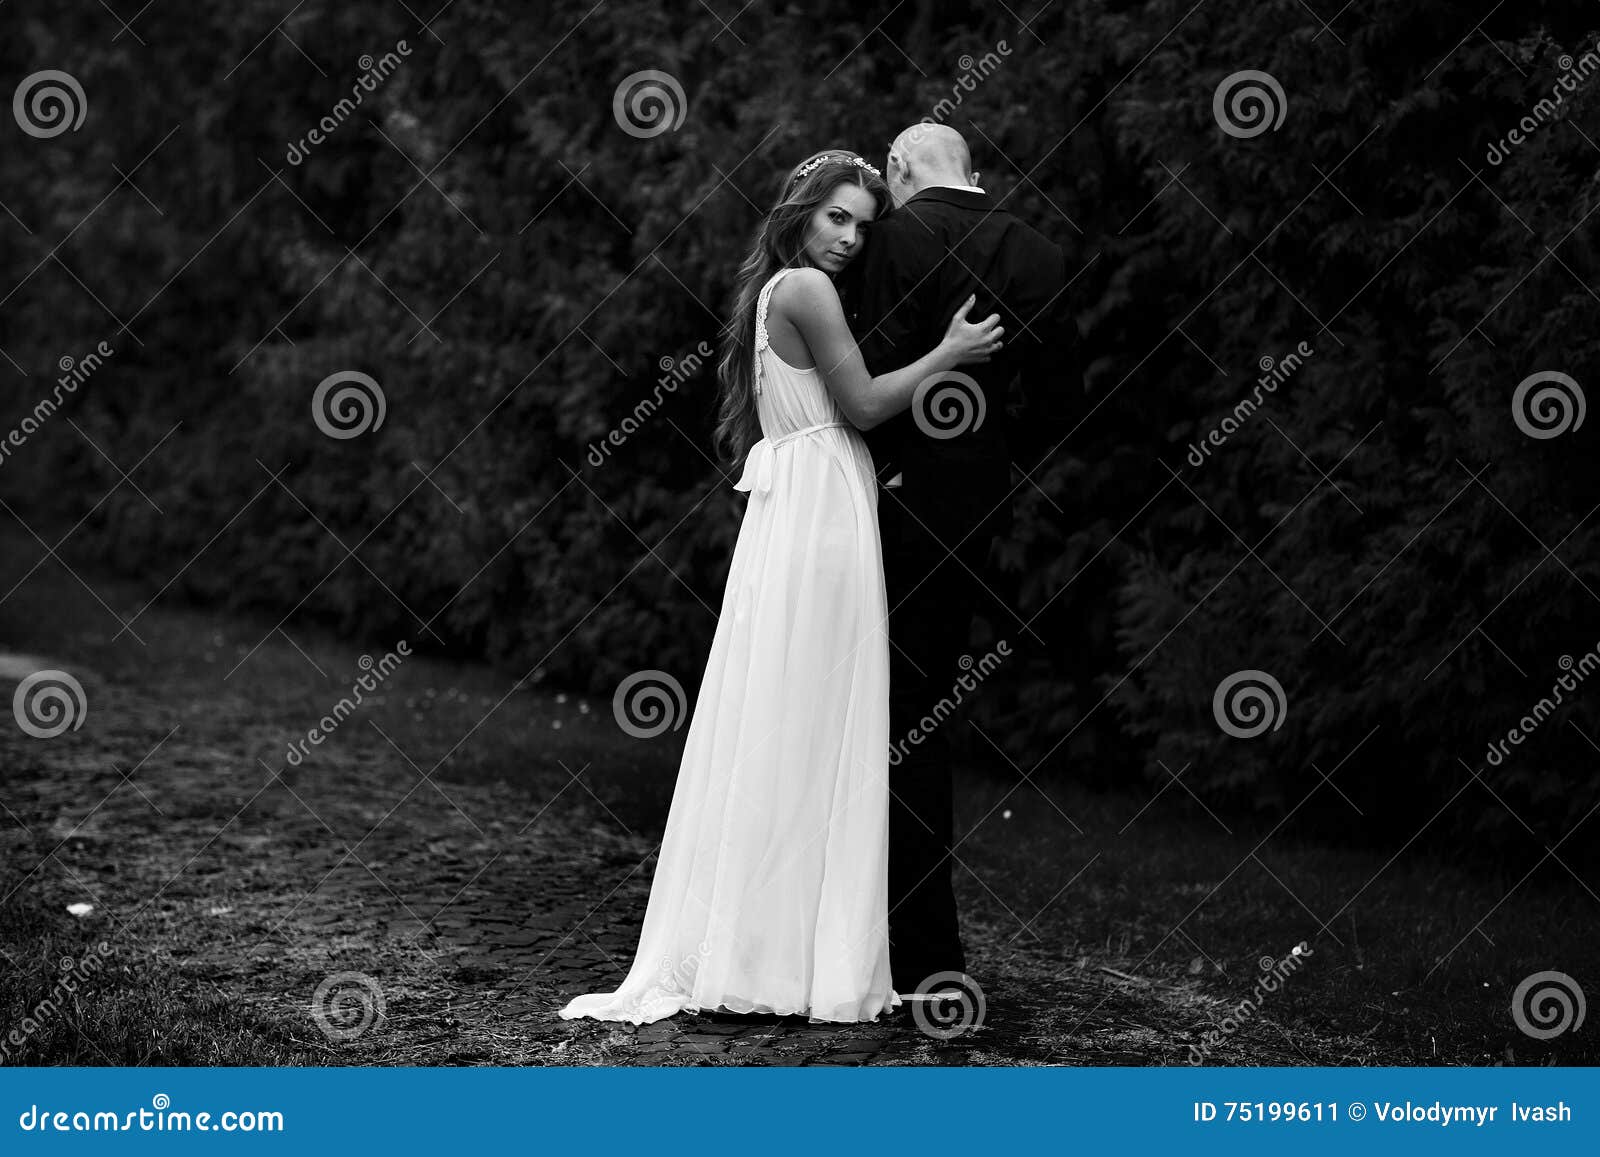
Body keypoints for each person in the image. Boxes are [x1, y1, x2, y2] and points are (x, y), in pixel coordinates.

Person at [557, 149, 1003, 1024]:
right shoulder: (803, 291)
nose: (849, 238)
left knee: (800, 716)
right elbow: (867, 404)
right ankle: (792, 949)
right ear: (799, 211)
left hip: (811, 504)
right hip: (819, 514)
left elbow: (835, 416)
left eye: (864, 226)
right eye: (837, 217)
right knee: (822, 715)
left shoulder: (776, 293)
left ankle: (780, 943)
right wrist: (950, 352)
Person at [838, 122, 1080, 997]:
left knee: (857, 712)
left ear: (898, 169)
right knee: (920, 724)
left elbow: (851, 374)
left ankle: (851, 939)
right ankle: (924, 950)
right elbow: (1059, 402)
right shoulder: (1041, 255)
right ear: (972, 171)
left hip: (866, 498)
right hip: (968, 512)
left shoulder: (879, 239)